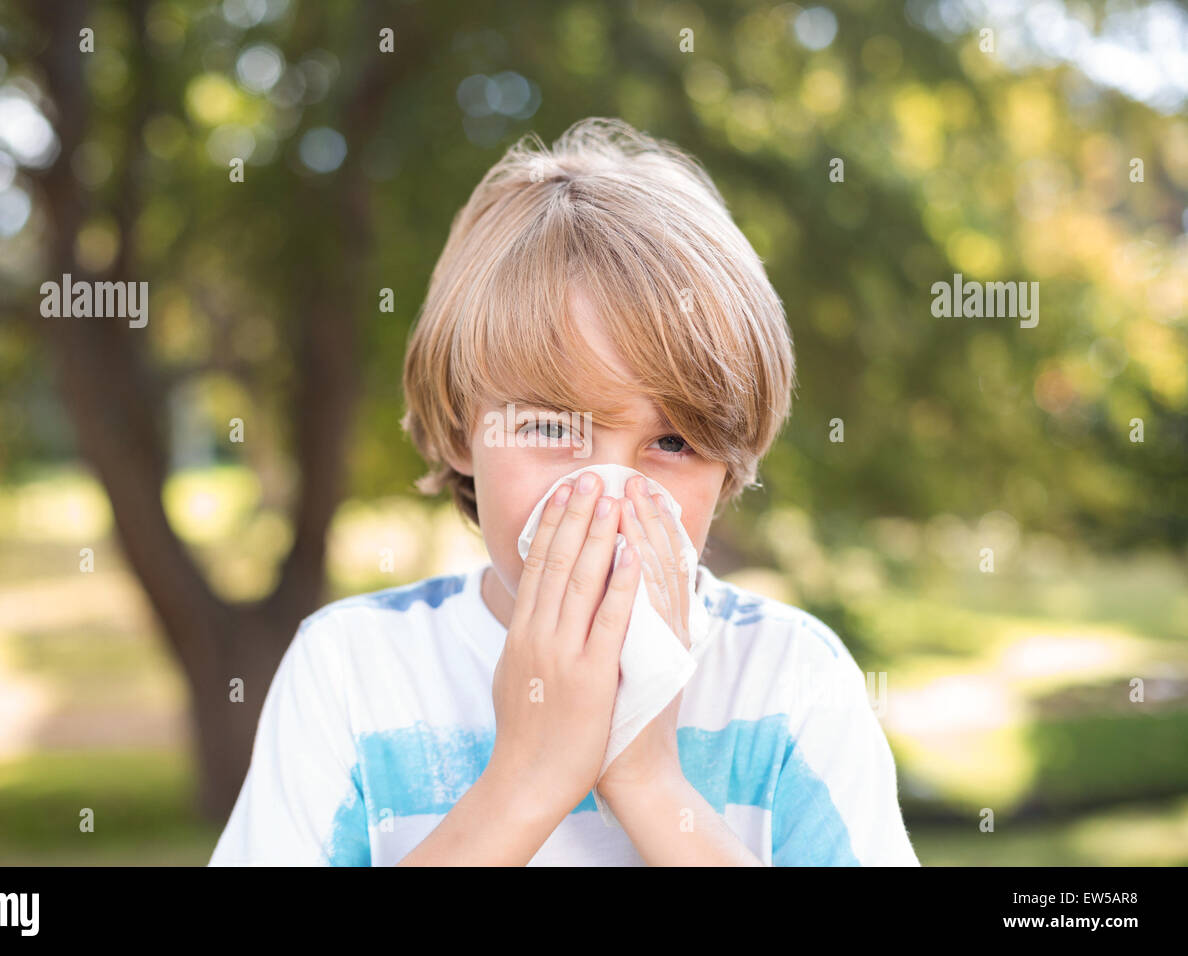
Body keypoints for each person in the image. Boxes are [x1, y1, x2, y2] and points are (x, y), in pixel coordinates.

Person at [209, 117, 920, 866]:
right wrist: (527, 779)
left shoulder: (790, 680)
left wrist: (648, 780)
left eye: (673, 443)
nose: (609, 498)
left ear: (729, 465)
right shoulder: (352, 674)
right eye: (553, 430)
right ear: (460, 430)